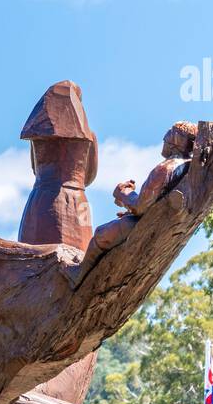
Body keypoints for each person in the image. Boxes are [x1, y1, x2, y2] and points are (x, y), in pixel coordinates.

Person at [64, 121, 197, 288]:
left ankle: (78, 274)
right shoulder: (187, 166)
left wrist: (123, 193)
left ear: (176, 140)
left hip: (144, 226)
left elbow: (141, 206)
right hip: (156, 224)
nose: (164, 137)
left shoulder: (165, 168)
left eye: (169, 133)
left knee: (100, 234)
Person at [19, 81, 98, 251]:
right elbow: (90, 175)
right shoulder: (90, 136)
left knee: (33, 255)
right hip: (78, 200)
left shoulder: (39, 135)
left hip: (41, 199)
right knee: (81, 254)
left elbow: (35, 168)